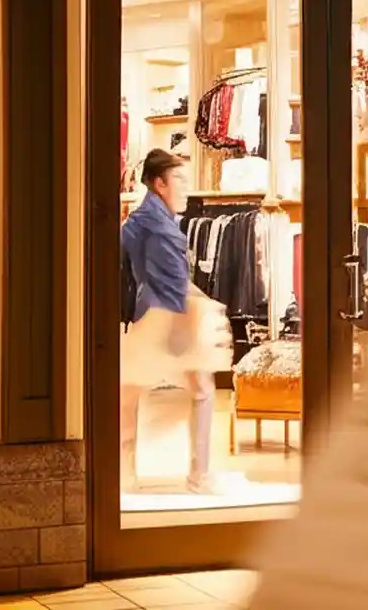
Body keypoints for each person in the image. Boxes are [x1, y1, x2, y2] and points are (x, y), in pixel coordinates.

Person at [120, 148, 228, 494]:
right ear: (159, 183)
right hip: (164, 315)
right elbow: (172, 282)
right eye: (178, 179)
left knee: (128, 394)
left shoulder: (144, 219)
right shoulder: (159, 227)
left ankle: (124, 475)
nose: (185, 187)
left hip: (151, 313)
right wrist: (193, 315)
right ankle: (199, 476)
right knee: (201, 390)